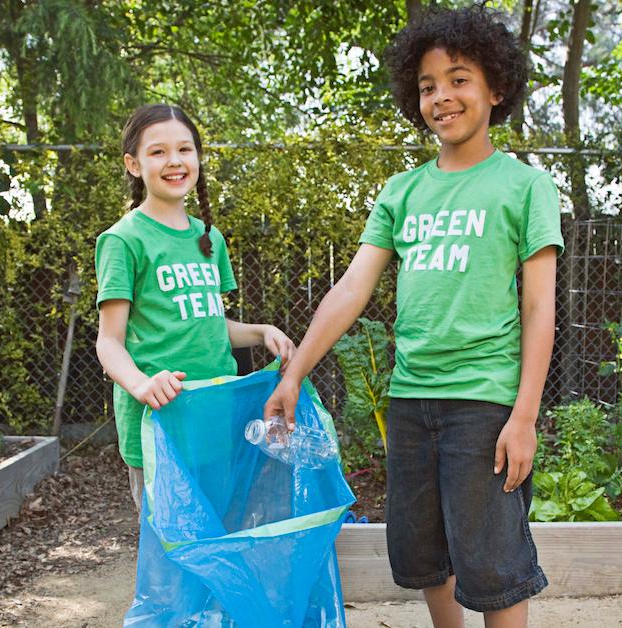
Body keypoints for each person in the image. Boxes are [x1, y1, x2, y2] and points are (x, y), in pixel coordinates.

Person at [264, 7, 563, 627]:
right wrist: (293, 376)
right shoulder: (401, 192)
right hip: (410, 404)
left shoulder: (524, 187)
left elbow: (540, 308)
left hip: (484, 404)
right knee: (427, 557)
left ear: (496, 87)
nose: (441, 97)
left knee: (494, 564)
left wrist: (525, 416)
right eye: (427, 86)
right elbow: (351, 289)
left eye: (458, 79)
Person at [96, 104, 295, 512]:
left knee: (219, 531)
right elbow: (108, 343)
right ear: (133, 165)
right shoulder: (123, 240)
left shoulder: (211, 239)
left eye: (184, 150)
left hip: (214, 417)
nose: (174, 161)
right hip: (160, 425)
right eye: (158, 152)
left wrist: (259, 331)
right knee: (174, 549)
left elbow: (207, 324)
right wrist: (141, 385)